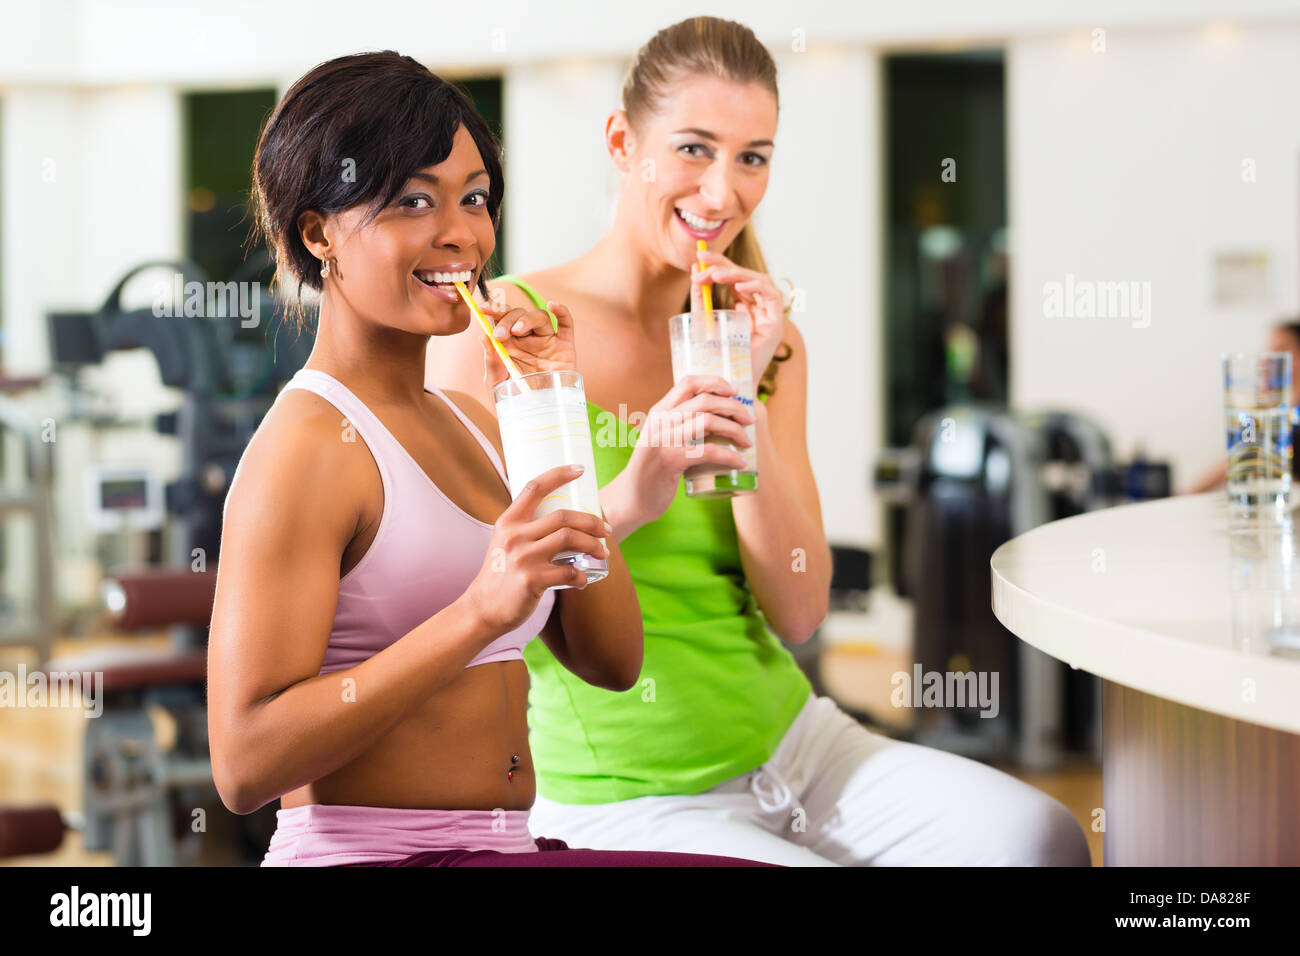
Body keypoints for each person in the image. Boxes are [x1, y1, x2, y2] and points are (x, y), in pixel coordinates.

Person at [428, 18, 1091, 866]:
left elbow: (802, 607)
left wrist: (748, 387)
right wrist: (638, 486)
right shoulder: (506, 332)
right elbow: (478, 593)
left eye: (752, 156)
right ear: (623, 141)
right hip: (630, 791)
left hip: (797, 747)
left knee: (1041, 837)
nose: (721, 192)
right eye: (695, 149)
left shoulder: (765, 338)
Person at [206, 50, 773, 867]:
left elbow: (613, 661)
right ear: (317, 232)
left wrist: (556, 411)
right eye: (411, 201)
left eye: (474, 198)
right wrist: (480, 611)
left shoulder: (478, 422)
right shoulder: (306, 447)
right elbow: (243, 764)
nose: (461, 233)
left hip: (506, 846)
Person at [1186, 318, 1300, 494]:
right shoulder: (1267, 410)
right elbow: (1237, 457)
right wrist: (1184, 494)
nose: (1270, 361)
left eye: (1281, 351)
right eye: (1269, 352)